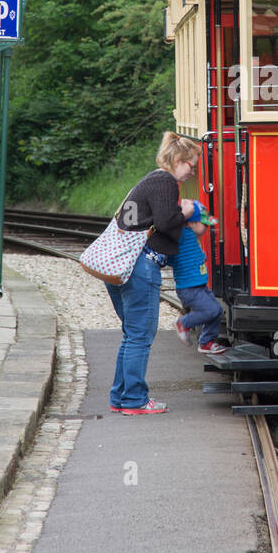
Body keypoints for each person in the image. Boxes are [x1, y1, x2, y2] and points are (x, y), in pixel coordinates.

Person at [105, 132, 202, 415]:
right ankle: (134, 400)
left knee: (131, 333)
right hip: (141, 265)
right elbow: (165, 222)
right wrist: (187, 212)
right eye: (191, 166)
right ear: (178, 160)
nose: (192, 172)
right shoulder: (165, 182)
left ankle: (120, 396)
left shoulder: (151, 180)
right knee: (140, 335)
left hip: (123, 265)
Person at [171, 216, 226, 356]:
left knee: (218, 310)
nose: (207, 228)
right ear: (193, 223)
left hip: (199, 286)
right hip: (189, 288)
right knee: (210, 310)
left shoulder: (191, 236)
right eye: (205, 225)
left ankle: (206, 342)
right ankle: (183, 323)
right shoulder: (183, 234)